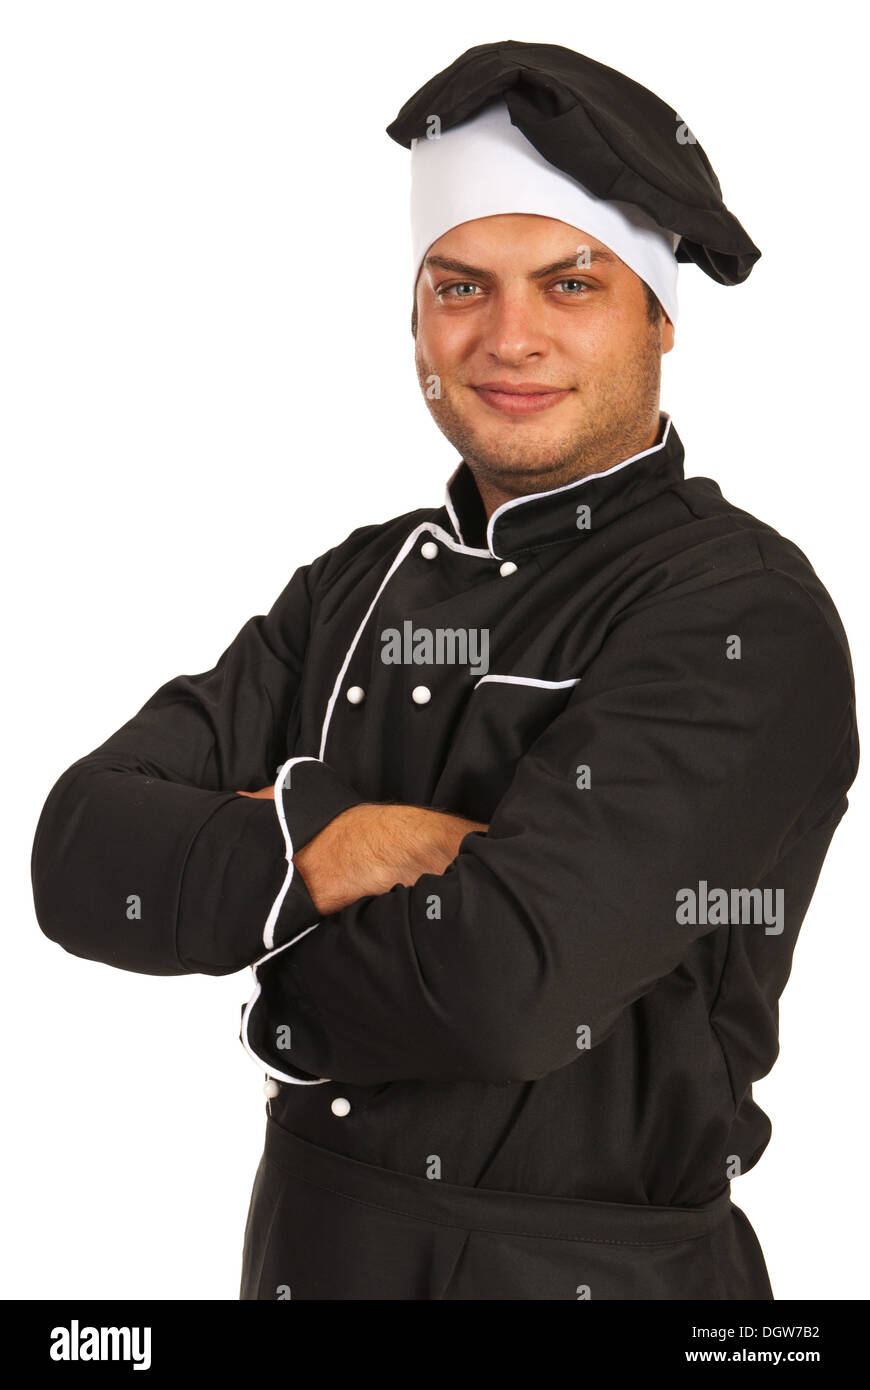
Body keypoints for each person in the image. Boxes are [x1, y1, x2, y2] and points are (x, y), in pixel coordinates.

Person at [31, 40, 859, 1300]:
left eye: (570, 284)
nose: (508, 339)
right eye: (461, 286)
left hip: (596, 1275)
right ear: (416, 315)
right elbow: (78, 849)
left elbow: (506, 991)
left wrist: (252, 917)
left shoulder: (742, 615)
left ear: (659, 316)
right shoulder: (351, 584)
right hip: (306, 1252)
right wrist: (342, 845)